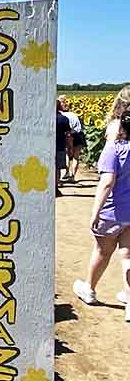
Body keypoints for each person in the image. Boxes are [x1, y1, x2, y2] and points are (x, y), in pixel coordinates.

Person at [74, 111, 130, 322]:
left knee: (102, 251)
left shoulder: (113, 150)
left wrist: (94, 212)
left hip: (111, 212)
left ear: (120, 130)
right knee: (127, 256)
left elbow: (107, 183)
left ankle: (89, 288)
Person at [58, 95, 86, 182]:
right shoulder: (74, 114)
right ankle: (73, 176)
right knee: (76, 157)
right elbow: (79, 126)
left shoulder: (62, 115)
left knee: (67, 155)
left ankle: (67, 172)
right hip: (79, 135)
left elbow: (66, 130)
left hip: (68, 135)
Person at [56, 101, 71, 197]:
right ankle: (55, 187)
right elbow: (68, 135)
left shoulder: (44, 118)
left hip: (46, 147)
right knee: (57, 168)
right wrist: (70, 147)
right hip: (60, 146)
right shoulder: (64, 119)